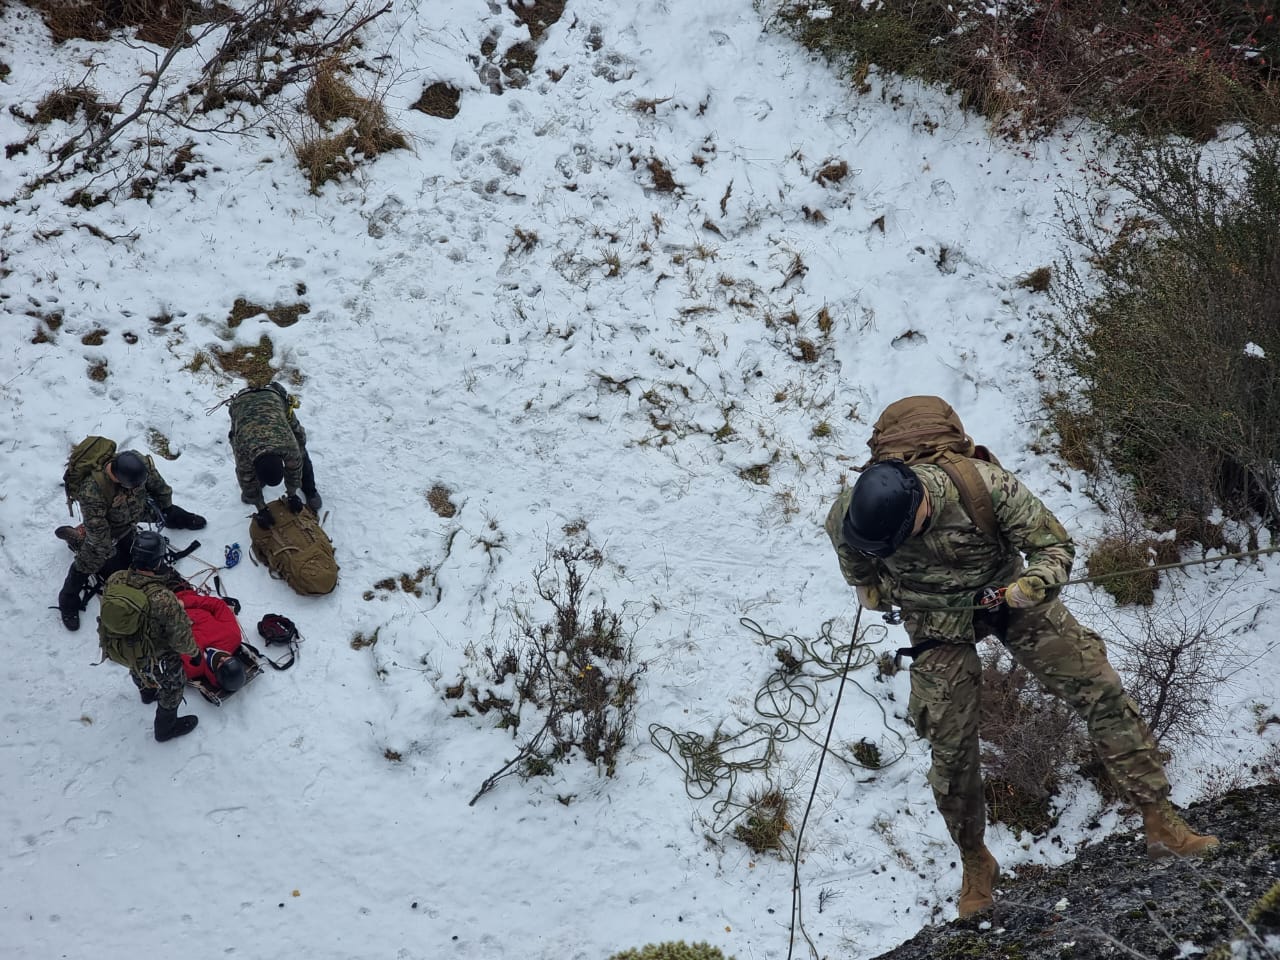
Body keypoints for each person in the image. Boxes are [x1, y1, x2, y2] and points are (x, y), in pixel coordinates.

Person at [825, 455, 1218, 919]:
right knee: (951, 746)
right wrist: (874, 590)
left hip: (1009, 596)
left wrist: (1035, 583)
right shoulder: (850, 515)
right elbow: (860, 571)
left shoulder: (986, 488)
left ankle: (1161, 821)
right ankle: (976, 861)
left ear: (920, 508)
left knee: (1100, 688)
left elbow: (1056, 548)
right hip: (935, 617)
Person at [56, 448, 206, 631]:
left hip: (135, 510)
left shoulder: (139, 464)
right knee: (93, 558)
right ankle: (68, 598)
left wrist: (166, 507)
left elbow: (159, 487)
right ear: (118, 478)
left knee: (165, 512)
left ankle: (180, 519)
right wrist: (110, 556)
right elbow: (99, 536)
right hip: (108, 524)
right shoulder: (92, 492)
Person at [97, 531, 200, 742]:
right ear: (156, 561)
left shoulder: (116, 578)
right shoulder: (162, 597)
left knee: (137, 666)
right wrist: (195, 653)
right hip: (155, 654)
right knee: (173, 686)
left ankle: (146, 693)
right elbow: (180, 637)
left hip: (124, 647)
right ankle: (165, 728)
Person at [227, 382, 322, 528]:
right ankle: (259, 484)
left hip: (273, 399)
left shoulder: (288, 446)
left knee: (301, 448)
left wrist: (292, 495)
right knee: (249, 481)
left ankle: (310, 489)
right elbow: (245, 478)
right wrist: (261, 507)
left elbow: (295, 470)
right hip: (242, 404)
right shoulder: (243, 452)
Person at [177, 590, 249, 695]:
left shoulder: (190, 668)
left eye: (220, 663)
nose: (222, 658)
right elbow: (218, 605)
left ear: (215, 674)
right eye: (228, 659)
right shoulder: (232, 635)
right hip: (182, 595)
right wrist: (185, 602)